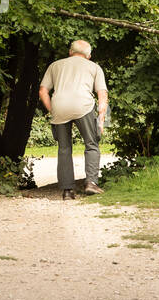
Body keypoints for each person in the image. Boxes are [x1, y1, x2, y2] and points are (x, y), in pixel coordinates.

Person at [38, 40, 108, 198]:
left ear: (70, 52)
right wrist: (102, 119)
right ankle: (91, 183)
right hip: (83, 106)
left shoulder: (55, 65)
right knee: (91, 144)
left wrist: (52, 110)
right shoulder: (94, 67)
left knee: (64, 149)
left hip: (59, 106)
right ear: (89, 55)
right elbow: (102, 94)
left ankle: (67, 191)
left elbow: (43, 91)